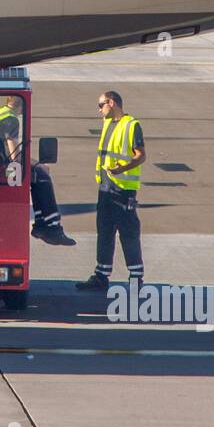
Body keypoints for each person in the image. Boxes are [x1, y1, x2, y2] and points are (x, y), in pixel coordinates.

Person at [0, 96, 75, 246]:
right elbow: (15, 155)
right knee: (41, 176)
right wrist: (38, 164)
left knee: (34, 172)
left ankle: (41, 224)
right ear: (23, 104)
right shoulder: (10, 119)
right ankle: (50, 227)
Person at [77, 90, 146, 289]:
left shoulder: (131, 125)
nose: (99, 110)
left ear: (112, 102)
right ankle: (101, 275)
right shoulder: (108, 124)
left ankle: (136, 278)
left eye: (101, 105)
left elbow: (141, 155)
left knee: (128, 233)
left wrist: (121, 169)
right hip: (106, 189)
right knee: (104, 231)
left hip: (123, 190)